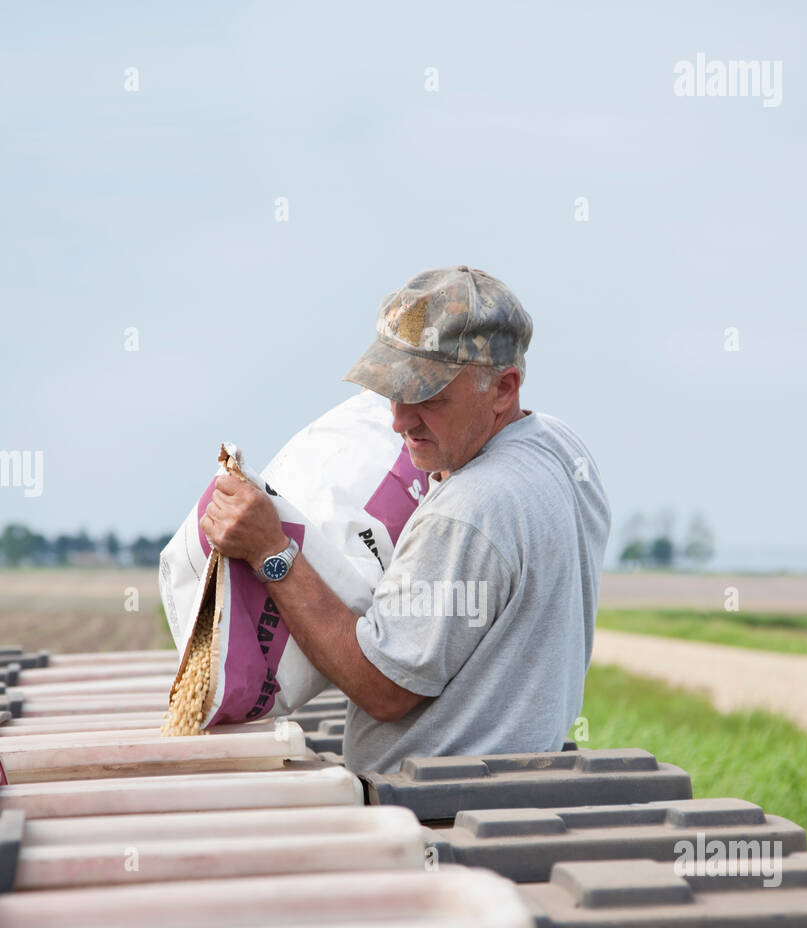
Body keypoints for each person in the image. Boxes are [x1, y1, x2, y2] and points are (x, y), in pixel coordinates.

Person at [200, 265, 611, 774]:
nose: (399, 421)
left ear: (504, 387)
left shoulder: (471, 509)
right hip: (510, 785)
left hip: (433, 807)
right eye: (393, 391)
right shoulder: (562, 449)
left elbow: (385, 688)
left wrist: (271, 550)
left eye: (428, 398)